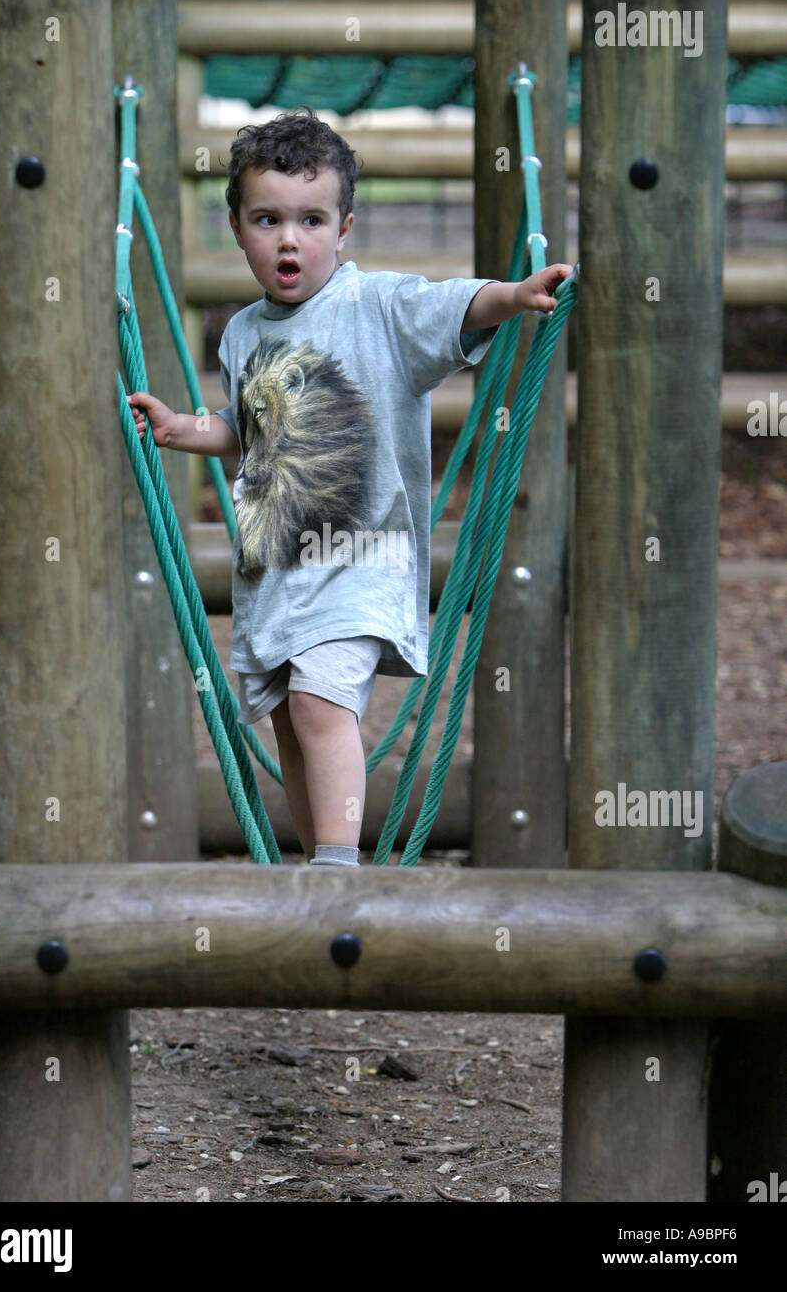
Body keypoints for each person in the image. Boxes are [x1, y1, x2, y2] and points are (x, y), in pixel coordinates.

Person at [128, 107, 573, 868]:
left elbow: (455, 305)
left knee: (318, 705)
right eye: (267, 219)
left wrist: (514, 293)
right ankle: (319, 871)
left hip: (360, 563)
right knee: (291, 727)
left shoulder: (379, 309)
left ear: (344, 230)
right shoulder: (243, 333)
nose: (289, 239)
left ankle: (340, 872)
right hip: (276, 575)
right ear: (237, 228)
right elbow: (247, 427)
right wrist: (183, 429)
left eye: (311, 220)